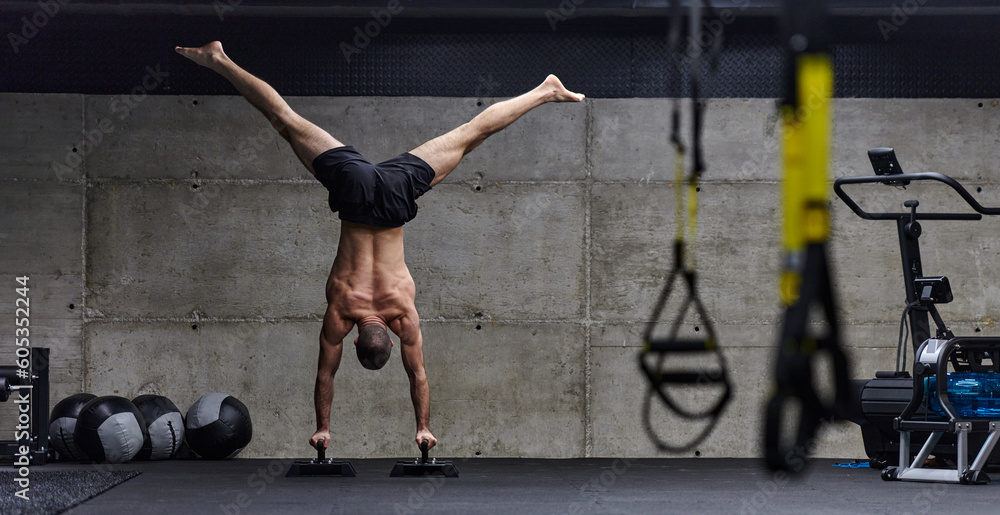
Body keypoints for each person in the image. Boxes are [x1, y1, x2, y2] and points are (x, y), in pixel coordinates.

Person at [175, 41, 585, 452]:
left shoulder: (403, 315)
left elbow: (417, 374)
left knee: (470, 135)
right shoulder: (341, 313)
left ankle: (544, 92)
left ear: (391, 337)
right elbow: (325, 375)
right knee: (285, 121)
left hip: (394, 197)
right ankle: (220, 60)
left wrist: (425, 428)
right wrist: (322, 429)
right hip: (353, 192)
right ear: (356, 340)